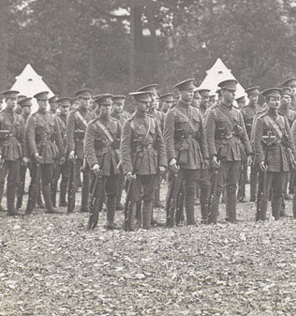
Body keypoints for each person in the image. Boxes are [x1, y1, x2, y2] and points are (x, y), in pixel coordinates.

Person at [204, 79, 251, 224]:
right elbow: (209, 137)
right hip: (221, 154)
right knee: (217, 187)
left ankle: (232, 216)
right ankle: (212, 218)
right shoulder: (213, 112)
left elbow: (244, 135)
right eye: (230, 92)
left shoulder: (237, 112)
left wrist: (249, 153)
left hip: (236, 153)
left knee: (232, 186)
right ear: (222, 92)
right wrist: (212, 155)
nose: (232, 95)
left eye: (234, 92)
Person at [164, 79, 210, 226]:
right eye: (188, 92)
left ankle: (190, 220)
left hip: (194, 155)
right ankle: (171, 220)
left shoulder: (196, 112)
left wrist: (206, 156)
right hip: (179, 156)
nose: (191, 95)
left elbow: (202, 137)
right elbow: (168, 138)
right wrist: (171, 158)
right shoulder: (172, 113)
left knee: (191, 189)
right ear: (180, 93)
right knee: (175, 189)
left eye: (192, 92)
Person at [120, 90, 166, 230]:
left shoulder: (153, 121)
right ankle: (129, 226)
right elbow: (125, 148)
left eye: (148, 102)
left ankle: (146, 225)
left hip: (152, 162)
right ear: (135, 103)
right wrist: (127, 169)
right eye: (143, 103)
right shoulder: (129, 123)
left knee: (149, 196)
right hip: (136, 164)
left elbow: (161, 143)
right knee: (133, 197)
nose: (147, 105)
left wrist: (163, 163)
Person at [252, 87, 295, 220]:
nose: (276, 103)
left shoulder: (283, 119)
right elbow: (256, 142)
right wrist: (260, 160)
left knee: (279, 190)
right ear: (267, 101)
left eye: (278, 100)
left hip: (281, 157)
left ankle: (276, 215)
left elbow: (289, 140)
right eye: (273, 100)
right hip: (267, 157)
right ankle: (261, 216)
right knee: (264, 190)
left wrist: (293, 156)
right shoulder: (261, 119)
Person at [85, 94, 120, 230]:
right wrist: (93, 163)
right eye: (105, 106)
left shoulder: (116, 123)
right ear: (99, 107)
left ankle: (110, 221)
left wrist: (121, 160)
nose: (107, 108)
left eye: (109, 106)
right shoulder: (92, 126)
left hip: (112, 163)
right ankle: (92, 222)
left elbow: (121, 144)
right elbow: (88, 147)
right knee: (96, 193)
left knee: (112, 193)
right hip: (99, 162)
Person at [24, 91, 61, 214]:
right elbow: (30, 138)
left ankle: (49, 207)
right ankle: (30, 207)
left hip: (49, 152)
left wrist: (61, 152)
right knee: (35, 180)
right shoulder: (32, 118)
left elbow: (58, 136)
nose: (44, 104)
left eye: (46, 101)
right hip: (38, 152)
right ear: (38, 102)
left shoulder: (53, 117)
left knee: (47, 180)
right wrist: (34, 153)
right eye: (42, 101)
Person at [0, 90, 24, 216]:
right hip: (3, 151)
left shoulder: (19, 117)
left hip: (15, 151)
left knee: (13, 181)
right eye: (11, 100)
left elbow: (22, 137)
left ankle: (11, 209)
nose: (14, 102)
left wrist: (23, 154)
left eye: (15, 100)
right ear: (6, 101)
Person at [66, 89, 93, 213]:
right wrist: (71, 150)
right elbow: (69, 134)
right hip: (77, 148)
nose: (87, 102)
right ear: (79, 100)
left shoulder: (92, 115)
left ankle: (84, 205)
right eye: (84, 100)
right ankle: (70, 205)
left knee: (87, 177)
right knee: (74, 178)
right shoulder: (73, 114)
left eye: (88, 100)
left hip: (87, 149)